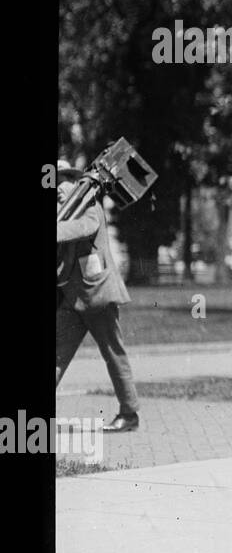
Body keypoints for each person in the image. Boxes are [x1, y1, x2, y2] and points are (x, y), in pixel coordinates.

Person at [56, 159, 141, 433]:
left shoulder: (89, 205)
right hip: (72, 298)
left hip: (98, 296)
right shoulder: (62, 212)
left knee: (113, 354)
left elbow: (84, 228)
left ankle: (129, 413)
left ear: (76, 181)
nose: (58, 187)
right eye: (54, 182)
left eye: (63, 180)